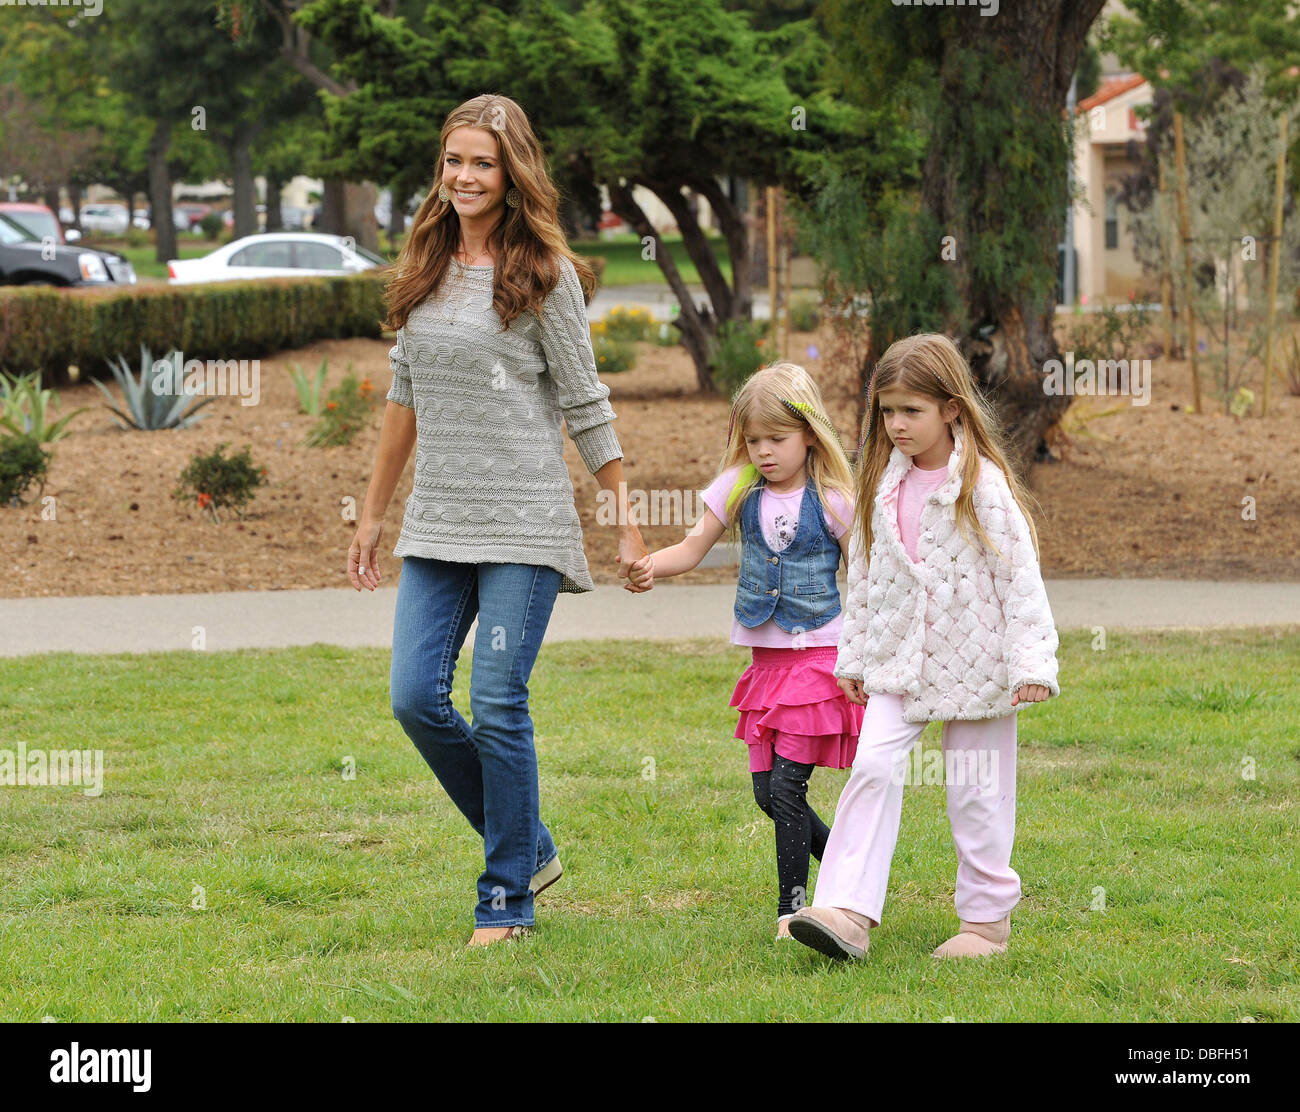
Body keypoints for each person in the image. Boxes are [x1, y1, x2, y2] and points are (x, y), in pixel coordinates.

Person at [347, 94, 648, 948]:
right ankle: (531, 843)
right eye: (454, 161)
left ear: (512, 173)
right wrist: (372, 516)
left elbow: (587, 404)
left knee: (498, 698)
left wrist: (624, 519)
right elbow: (403, 400)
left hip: (524, 522)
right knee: (414, 697)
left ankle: (505, 899)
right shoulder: (424, 265)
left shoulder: (545, 274)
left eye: (482, 162)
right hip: (439, 519)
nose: (465, 177)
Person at [786, 332, 1060, 962]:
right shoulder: (880, 484)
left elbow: (1019, 576)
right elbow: (867, 575)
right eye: (887, 411)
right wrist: (853, 656)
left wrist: (1032, 663)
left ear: (951, 409)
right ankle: (847, 912)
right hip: (898, 661)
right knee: (874, 766)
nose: (897, 424)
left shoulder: (982, 486)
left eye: (912, 410)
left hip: (979, 661)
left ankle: (986, 924)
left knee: (976, 787)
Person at [627, 363, 863, 939]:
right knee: (766, 794)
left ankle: (792, 910)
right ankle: (847, 874)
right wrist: (649, 567)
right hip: (768, 665)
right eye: (753, 440)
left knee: (787, 789)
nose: (764, 452)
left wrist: (866, 649)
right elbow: (691, 547)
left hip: (819, 658)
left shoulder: (834, 500)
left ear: (809, 433)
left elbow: (867, 574)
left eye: (776, 440)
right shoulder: (737, 488)